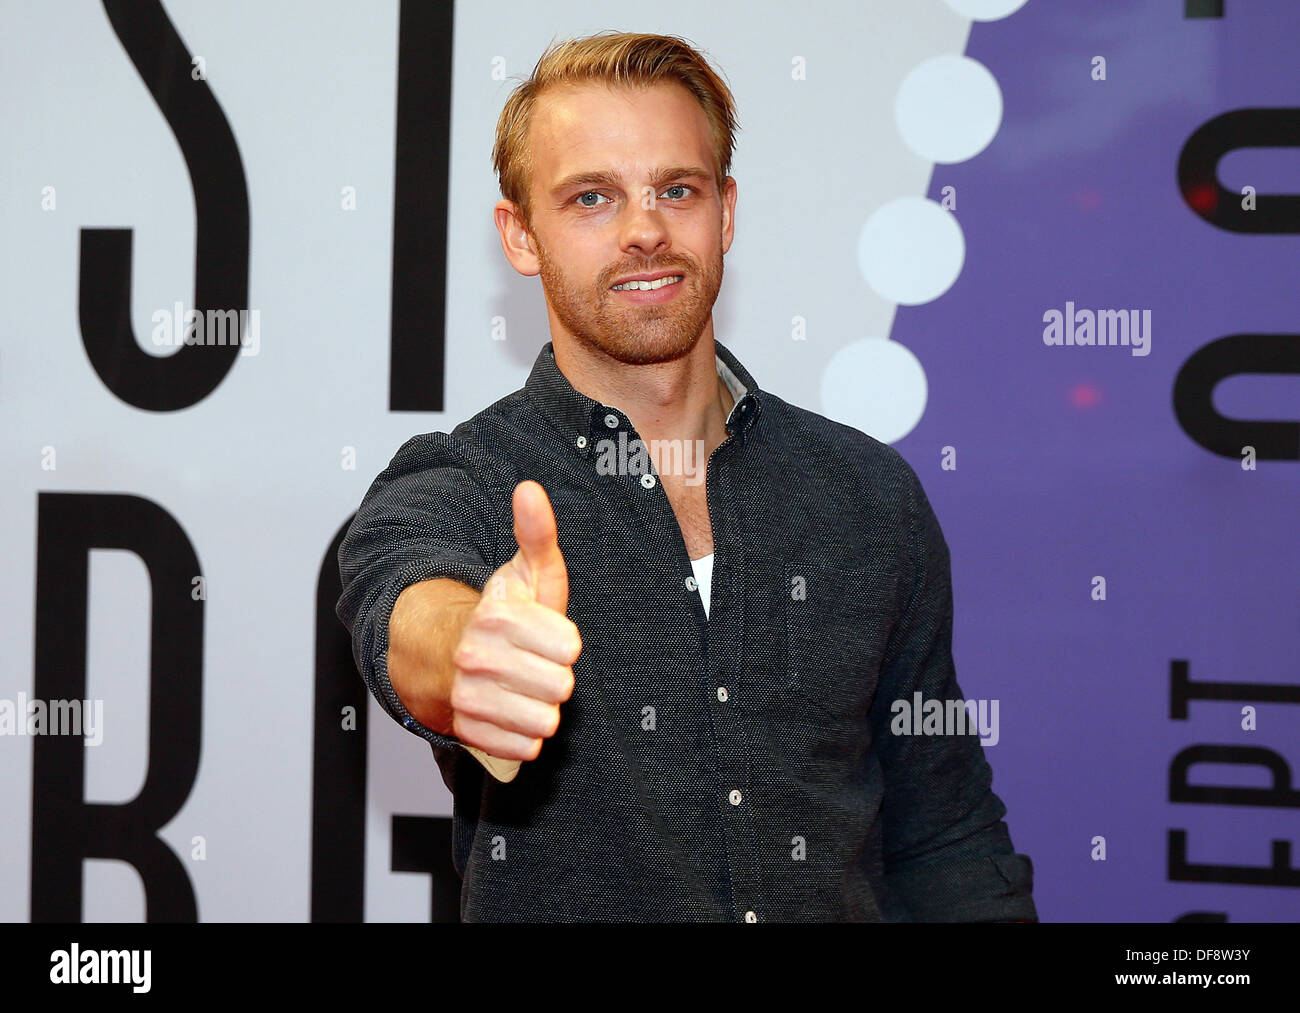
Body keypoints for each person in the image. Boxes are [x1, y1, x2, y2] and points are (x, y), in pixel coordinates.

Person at [336, 31, 1037, 923]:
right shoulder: (464, 480)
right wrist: (470, 649)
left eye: (678, 189)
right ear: (520, 234)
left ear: (727, 211)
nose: (645, 230)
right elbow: (405, 603)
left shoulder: (868, 496)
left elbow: (946, 838)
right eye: (591, 197)